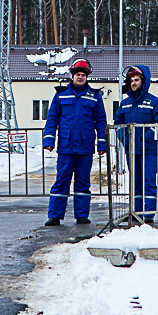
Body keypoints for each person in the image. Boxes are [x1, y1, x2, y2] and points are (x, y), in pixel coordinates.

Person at [42, 58, 107, 226]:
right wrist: (49, 140)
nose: (80, 77)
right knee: (62, 179)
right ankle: (54, 216)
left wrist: (102, 144)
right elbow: (52, 118)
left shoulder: (94, 96)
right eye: (78, 74)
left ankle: (82, 215)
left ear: (87, 77)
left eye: (83, 75)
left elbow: (101, 121)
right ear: (72, 76)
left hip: (85, 147)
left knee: (83, 181)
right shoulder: (61, 94)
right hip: (66, 146)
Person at [114, 65, 158, 224]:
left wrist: (147, 136)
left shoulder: (154, 102)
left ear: (144, 81)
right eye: (131, 80)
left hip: (148, 149)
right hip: (131, 150)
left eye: (136, 80)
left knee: (148, 180)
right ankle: (136, 212)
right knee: (135, 181)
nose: (133, 83)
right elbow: (118, 123)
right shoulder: (124, 104)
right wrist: (125, 138)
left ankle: (149, 213)